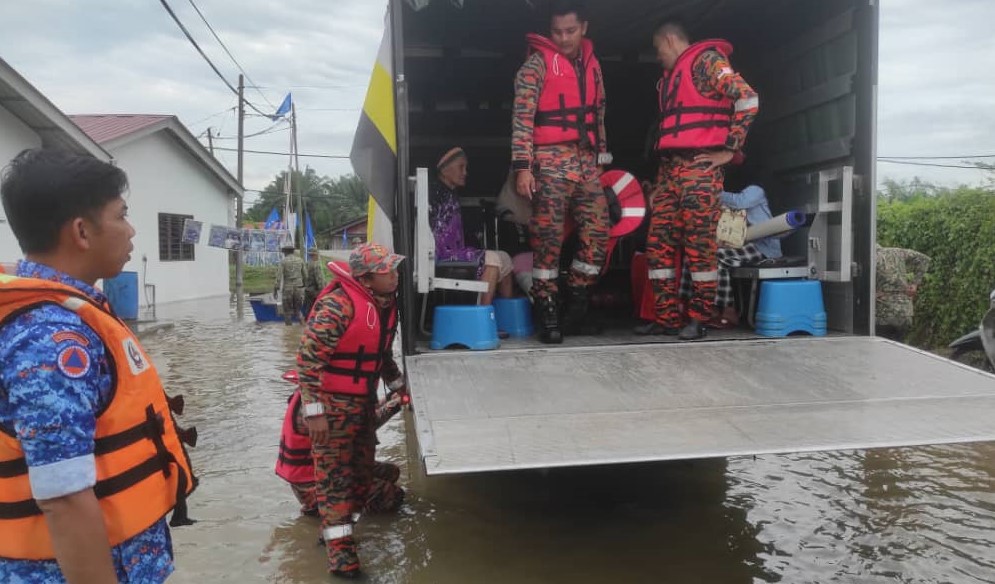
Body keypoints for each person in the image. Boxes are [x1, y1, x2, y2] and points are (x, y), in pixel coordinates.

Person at [0, 148, 197, 583]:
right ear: (82, 232)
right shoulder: (51, 340)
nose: (131, 231)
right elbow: (63, 495)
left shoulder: (71, 314)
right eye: (121, 216)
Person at [637, 20, 759, 340]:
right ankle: (667, 318)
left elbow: (747, 99)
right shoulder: (669, 80)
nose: (658, 55)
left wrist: (730, 151)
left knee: (699, 249)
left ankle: (699, 318)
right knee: (657, 246)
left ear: (669, 39)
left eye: (657, 48)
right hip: (670, 172)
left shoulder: (707, 61)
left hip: (700, 169)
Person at [296, 243, 407, 579]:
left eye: (393, 267)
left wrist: (401, 387)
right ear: (367, 278)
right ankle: (343, 561)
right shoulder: (337, 304)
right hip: (330, 411)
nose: (395, 274)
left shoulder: (385, 305)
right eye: (388, 269)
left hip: (361, 407)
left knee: (360, 479)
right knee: (335, 484)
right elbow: (308, 362)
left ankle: (334, 532)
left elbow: (382, 354)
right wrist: (314, 412)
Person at [512, 0, 611, 343]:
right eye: (557, 32)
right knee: (547, 243)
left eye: (570, 31)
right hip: (549, 162)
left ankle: (576, 299)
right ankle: (549, 311)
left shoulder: (592, 67)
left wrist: (602, 157)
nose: (564, 38)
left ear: (584, 27)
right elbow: (522, 120)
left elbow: (598, 114)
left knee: (598, 236)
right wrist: (523, 168)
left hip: (586, 164)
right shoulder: (535, 66)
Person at [275, 373, 405, 519]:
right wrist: (394, 405)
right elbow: (358, 429)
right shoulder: (314, 409)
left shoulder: (315, 395)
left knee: (391, 472)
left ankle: (347, 509)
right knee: (391, 495)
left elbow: (359, 414)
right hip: (314, 481)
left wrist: (389, 398)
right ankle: (327, 515)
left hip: (325, 468)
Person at [678, 185, 782, 327]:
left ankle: (727, 310)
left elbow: (740, 202)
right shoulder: (720, 202)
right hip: (740, 247)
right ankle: (694, 305)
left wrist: (711, 192)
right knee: (697, 257)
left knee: (717, 256)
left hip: (763, 248)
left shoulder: (755, 190)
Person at [430, 147, 515, 306]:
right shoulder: (432, 193)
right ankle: (483, 315)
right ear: (444, 169)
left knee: (506, 258)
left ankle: (504, 319)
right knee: (493, 260)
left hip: (457, 251)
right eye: (461, 167)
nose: (465, 172)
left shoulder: (451, 193)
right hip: (441, 255)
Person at [876, 244, 930, 341]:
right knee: (898, 346)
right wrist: (915, 284)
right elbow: (924, 259)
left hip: (883, 314)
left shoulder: (870, 257)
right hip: (905, 313)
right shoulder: (897, 252)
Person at [275, 245, 306, 325]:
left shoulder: (283, 261)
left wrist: (276, 288)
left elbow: (278, 277)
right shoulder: (300, 260)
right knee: (298, 311)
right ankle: (303, 327)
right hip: (299, 288)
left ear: (285, 252)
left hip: (287, 289)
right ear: (293, 251)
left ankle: (288, 333)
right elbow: (305, 275)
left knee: (287, 312)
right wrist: (304, 287)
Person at [303, 248, 326, 316]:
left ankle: (306, 322)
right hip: (315, 291)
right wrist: (323, 290)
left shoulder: (307, 264)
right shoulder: (316, 265)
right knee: (316, 309)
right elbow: (319, 279)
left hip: (308, 290)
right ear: (315, 255)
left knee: (309, 308)